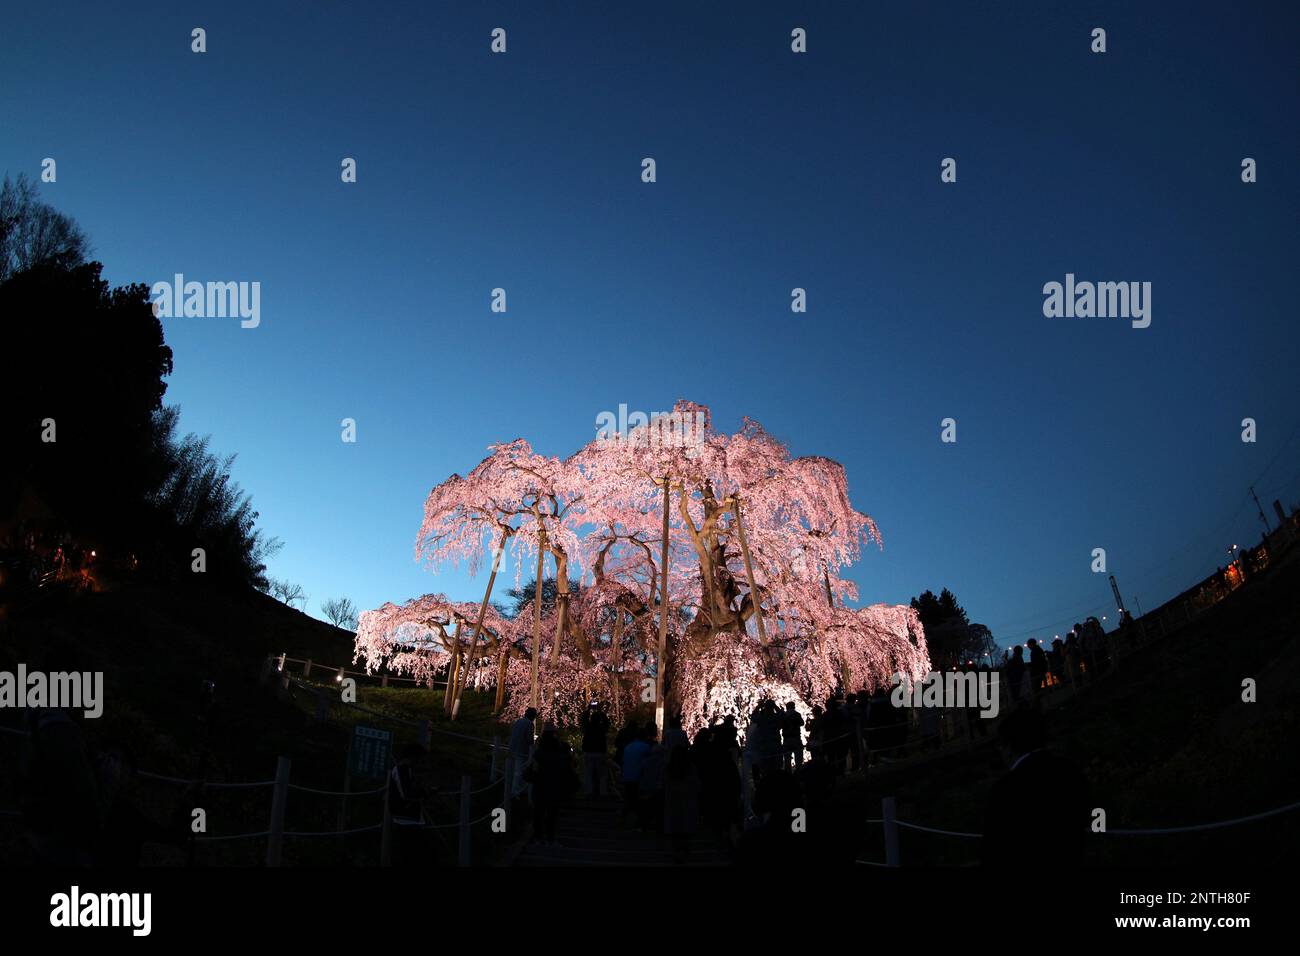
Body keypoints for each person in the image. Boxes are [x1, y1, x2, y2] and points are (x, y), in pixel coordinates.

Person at [982, 706, 1090, 867]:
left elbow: (994, 848)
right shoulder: (1069, 769)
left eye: (1001, 745)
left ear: (1009, 746)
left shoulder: (1004, 789)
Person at [530, 722, 577, 846]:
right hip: (555, 785)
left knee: (539, 813)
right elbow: (567, 765)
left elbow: (533, 768)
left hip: (540, 785)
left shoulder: (539, 751)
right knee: (552, 813)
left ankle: (538, 837)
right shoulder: (560, 749)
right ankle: (550, 837)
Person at [663, 744, 701, 864]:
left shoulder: (669, 768)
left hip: (673, 801)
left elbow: (664, 783)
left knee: (675, 829)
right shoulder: (691, 768)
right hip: (687, 801)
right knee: (686, 828)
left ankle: (676, 851)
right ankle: (683, 851)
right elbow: (697, 785)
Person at [620, 724, 653, 826]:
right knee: (639, 800)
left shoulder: (628, 746)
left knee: (629, 799)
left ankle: (624, 818)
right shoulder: (646, 747)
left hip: (627, 776)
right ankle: (639, 821)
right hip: (638, 777)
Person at [579, 700, 611, 799]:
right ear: (599, 720)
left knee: (588, 773)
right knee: (602, 774)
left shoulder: (588, 728)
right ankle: (603, 792)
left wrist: (588, 709)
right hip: (600, 752)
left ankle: (588, 792)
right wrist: (600, 711)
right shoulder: (601, 728)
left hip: (588, 752)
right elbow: (607, 723)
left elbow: (583, 720)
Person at [509, 707, 538, 797]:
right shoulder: (530, 724)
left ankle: (517, 790)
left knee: (516, 770)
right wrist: (533, 746)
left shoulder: (518, 721)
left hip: (513, 748)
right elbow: (529, 739)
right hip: (522, 750)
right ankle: (517, 792)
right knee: (520, 771)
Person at [781, 701, 805, 770]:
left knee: (787, 760)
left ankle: (788, 776)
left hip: (786, 739)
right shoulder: (797, 714)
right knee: (798, 759)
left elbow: (781, 726)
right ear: (794, 706)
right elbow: (802, 723)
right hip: (796, 738)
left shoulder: (784, 716)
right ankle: (798, 774)